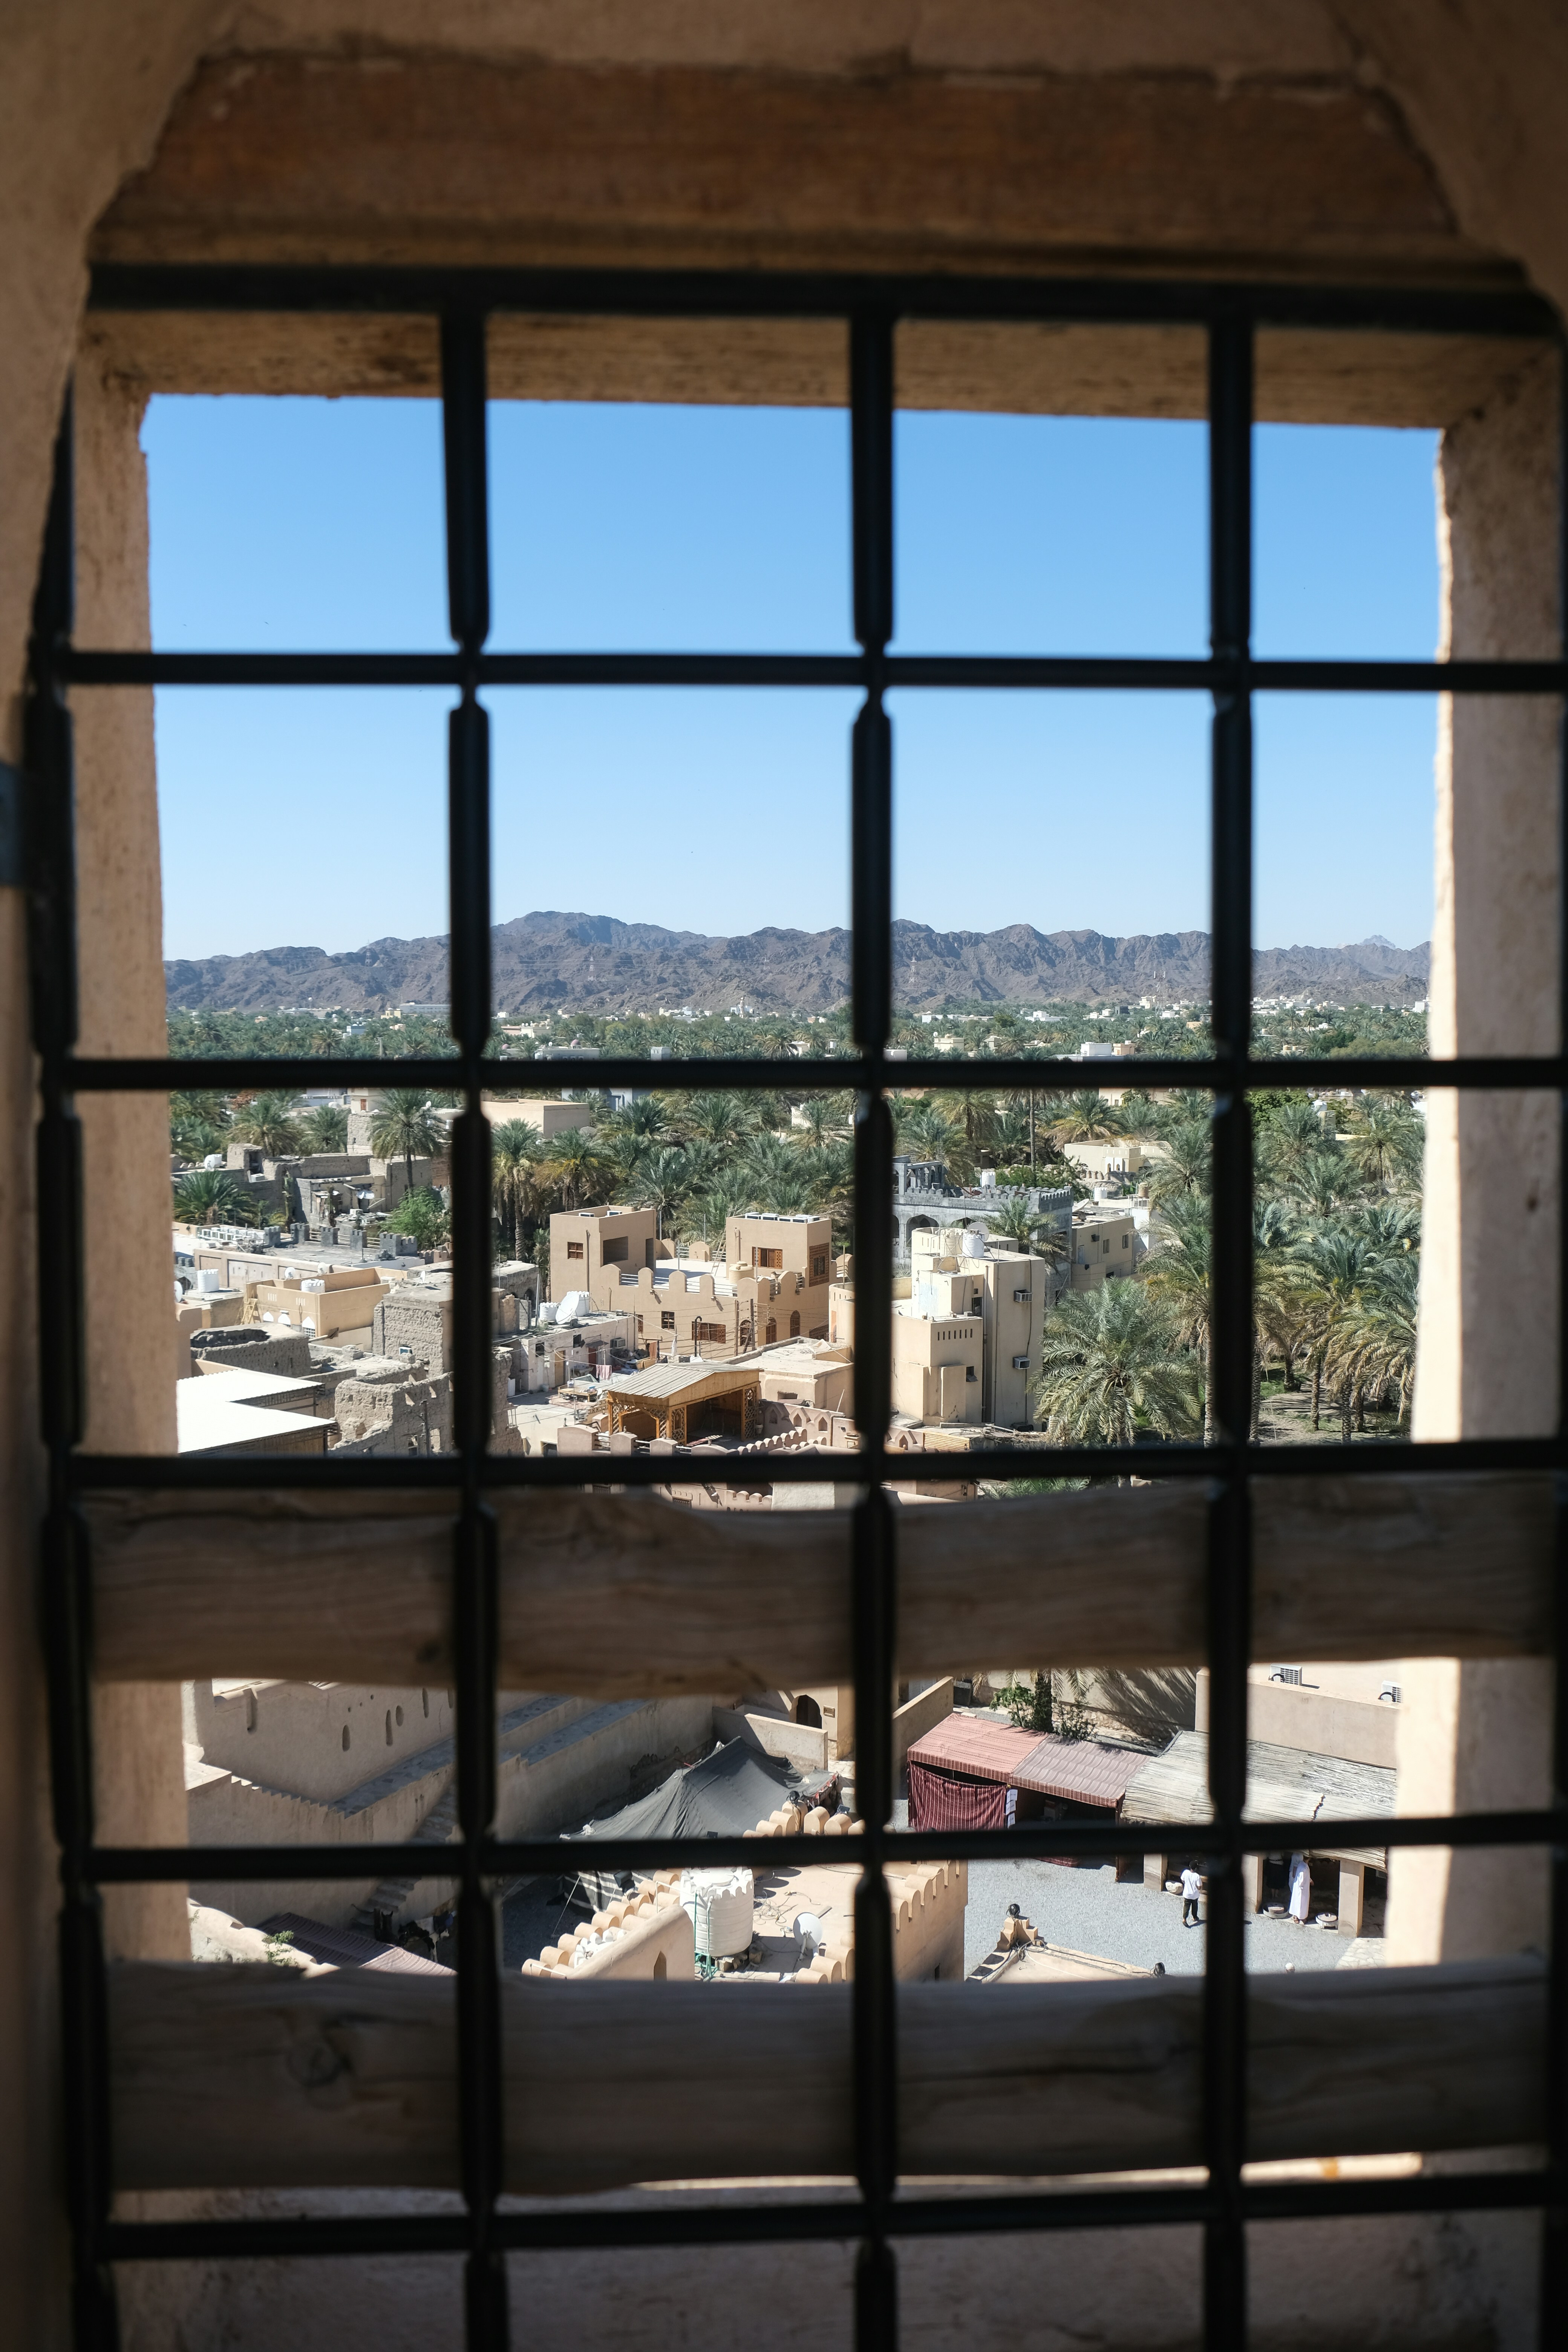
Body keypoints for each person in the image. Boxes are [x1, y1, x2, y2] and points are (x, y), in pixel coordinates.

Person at [1288, 1851, 1312, 1925]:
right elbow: (1301, 1879)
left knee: (1301, 1904)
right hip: (1301, 1889)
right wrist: (1302, 1887)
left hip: (1302, 1888)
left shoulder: (1303, 1864)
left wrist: (1310, 1881)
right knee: (1300, 1903)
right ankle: (1297, 1916)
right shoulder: (1303, 1868)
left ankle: (1302, 1916)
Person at [1179, 1862, 1202, 1927]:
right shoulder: (1197, 1876)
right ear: (1196, 1868)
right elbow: (1199, 1887)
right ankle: (1195, 1917)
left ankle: (1184, 1919)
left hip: (1187, 1894)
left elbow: (1183, 1880)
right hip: (1195, 1895)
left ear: (1190, 1866)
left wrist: (1186, 1883)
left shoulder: (1186, 1872)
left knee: (1187, 1906)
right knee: (1195, 1906)